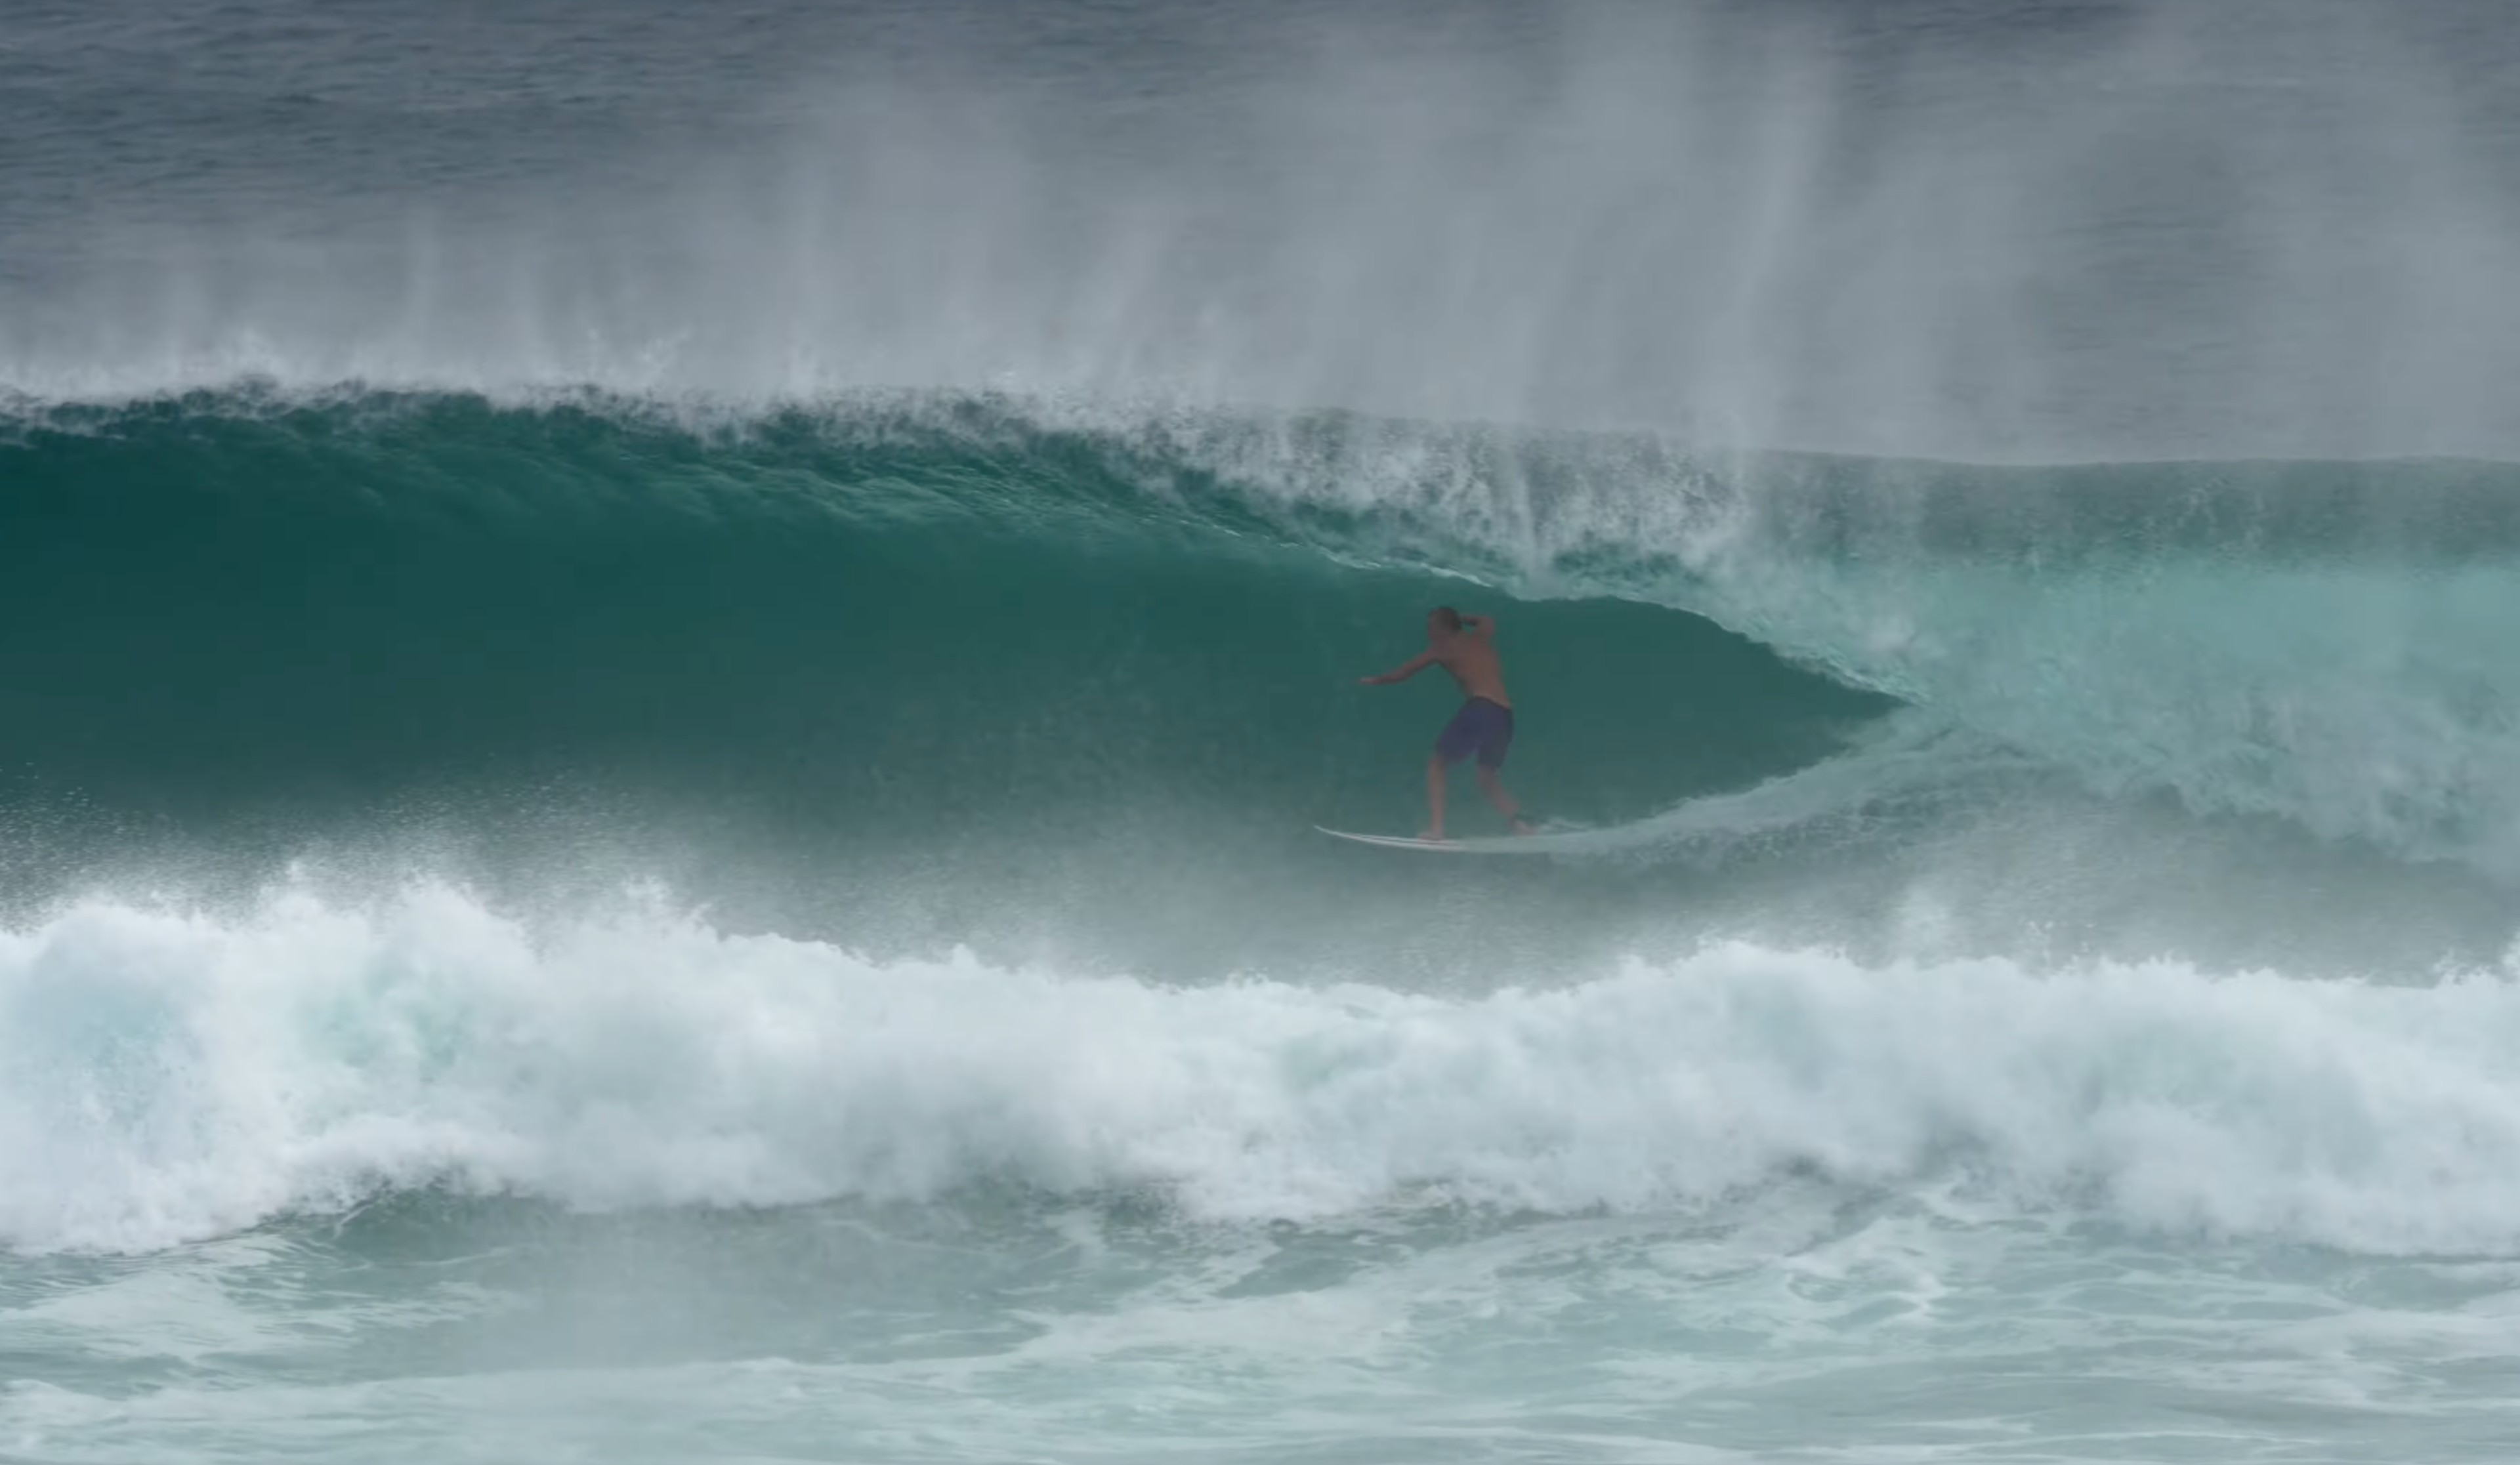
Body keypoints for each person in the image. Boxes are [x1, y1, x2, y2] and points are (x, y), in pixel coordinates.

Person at [1356, 606, 1535, 841]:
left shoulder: (1442, 648)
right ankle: (1520, 823)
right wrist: (1459, 619)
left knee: (1436, 764)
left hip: (1481, 708)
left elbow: (1401, 673)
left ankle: (1437, 829)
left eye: (1432, 627)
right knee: (1486, 777)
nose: (1428, 632)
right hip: (1504, 714)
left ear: (1444, 628)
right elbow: (1486, 620)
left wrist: (1374, 680)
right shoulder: (1480, 637)